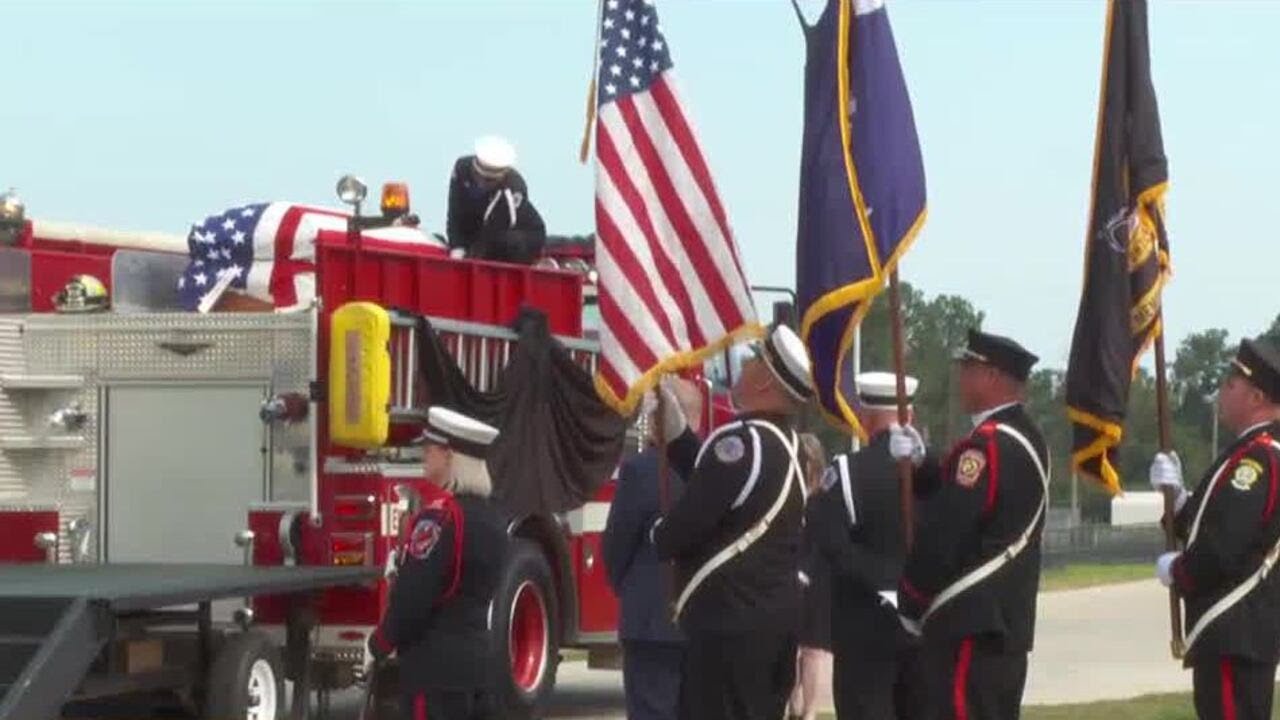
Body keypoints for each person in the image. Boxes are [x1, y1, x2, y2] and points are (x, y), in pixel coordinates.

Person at [650, 323, 813, 720]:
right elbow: (725, 485)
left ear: (765, 384)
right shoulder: (785, 446)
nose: (745, 365)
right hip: (770, 626)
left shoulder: (743, 442)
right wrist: (676, 434)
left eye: (755, 360)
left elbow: (685, 526)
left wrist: (659, 532)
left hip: (729, 630)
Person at [891, 329, 1049, 720]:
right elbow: (976, 501)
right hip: (1001, 621)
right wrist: (922, 463)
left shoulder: (986, 446)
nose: (960, 378)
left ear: (992, 377)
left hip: (970, 624)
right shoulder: (1026, 437)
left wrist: (911, 599)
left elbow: (947, 531)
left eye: (968, 369)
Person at [1149, 337, 1280, 720]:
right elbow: (1218, 524)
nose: (1223, 392)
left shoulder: (1255, 460)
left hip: (1234, 628)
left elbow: (1223, 548)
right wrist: (1177, 501)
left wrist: (1178, 570)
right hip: (1233, 633)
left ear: (1256, 397)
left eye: (1231, 384)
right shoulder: (1247, 452)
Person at [807, 371, 936, 720]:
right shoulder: (937, 473)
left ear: (864, 418)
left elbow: (828, 540)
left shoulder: (847, 471)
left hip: (864, 624)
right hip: (924, 619)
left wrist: (883, 582)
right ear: (910, 416)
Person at [368, 406, 509, 720]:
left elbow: (413, 598)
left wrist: (380, 641)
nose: (424, 455)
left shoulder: (440, 518)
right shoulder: (494, 519)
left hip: (433, 673)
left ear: (450, 457)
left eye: (429, 449)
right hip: (479, 666)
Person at [602, 378, 704, 720]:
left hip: (650, 620)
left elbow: (617, 545)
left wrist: (628, 588)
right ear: (698, 420)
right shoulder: (716, 468)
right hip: (701, 621)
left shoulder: (641, 470)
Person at [445, 135, 546, 264]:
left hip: (517, 235)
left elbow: (492, 234)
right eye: (479, 177)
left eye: (489, 181)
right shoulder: (461, 168)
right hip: (479, 223)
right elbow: (454, 212)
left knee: (506, 242)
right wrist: (457, 248)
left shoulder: (514, 189)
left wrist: (469, 262)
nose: (482, 183)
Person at [789, 433, 834, 720]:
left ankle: (811, 711)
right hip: (787, 579)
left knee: (814, 650)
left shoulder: (824, 498)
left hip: (816, 580)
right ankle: (793, 706)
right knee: (789, 648)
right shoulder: (786, 492)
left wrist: (806, 571)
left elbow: (824, 541)